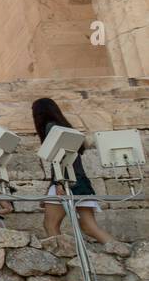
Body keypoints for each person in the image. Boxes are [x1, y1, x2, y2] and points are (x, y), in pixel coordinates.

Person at [32, 97, 117, 244]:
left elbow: (59, 157)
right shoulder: (67, 128)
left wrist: (58, 183)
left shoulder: (51, 127)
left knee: (50, 225)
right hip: (81, 182)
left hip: (63, 182)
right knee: (90, 227)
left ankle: (63, 257)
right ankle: (121, 250)